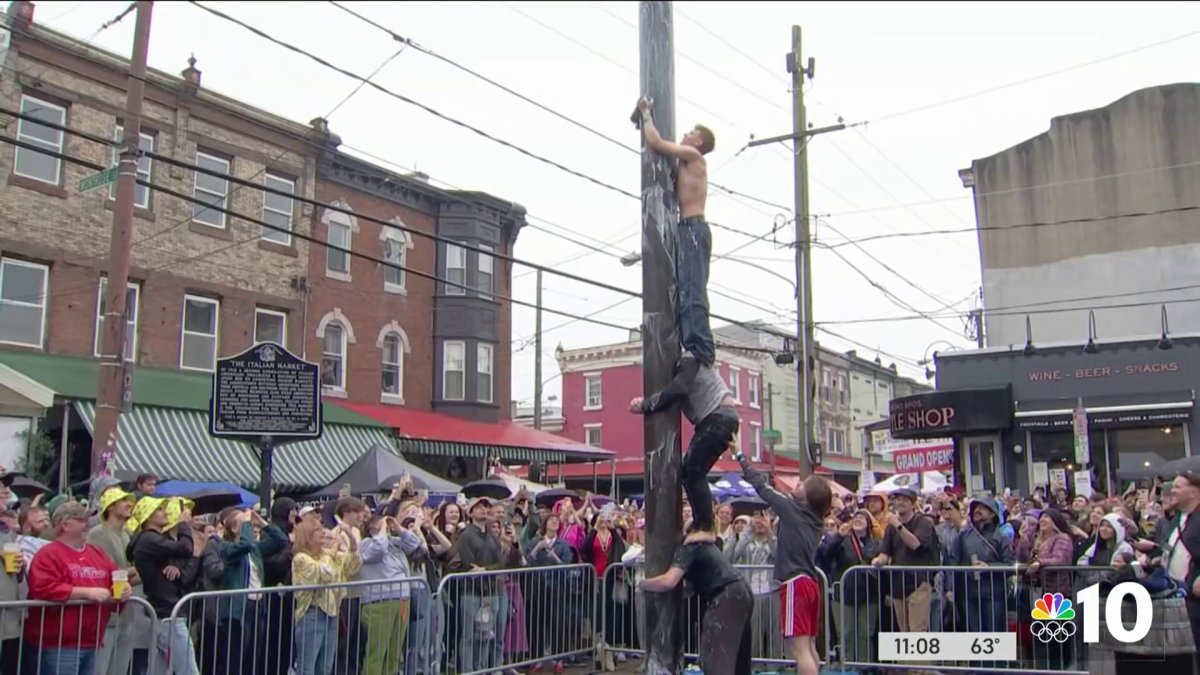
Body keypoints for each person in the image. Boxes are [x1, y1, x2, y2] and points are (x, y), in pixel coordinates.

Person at [634, 96, 718, 367]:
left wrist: (646, 114)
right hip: (685, 229)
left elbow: (657, 142)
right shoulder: (683, 163)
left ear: (698, 142)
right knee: (681, 290)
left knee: (692, 290)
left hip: (694, 228)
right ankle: (688, 344)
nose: (685, 134)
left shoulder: (694, 157)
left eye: (691, 133)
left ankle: (701, 351)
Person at [732, 438, 827, 675]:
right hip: (810, 583)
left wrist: (740, 455)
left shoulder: (793, 510)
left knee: (799, 649)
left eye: (803, 484)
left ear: (809, 496)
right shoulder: (815, 520)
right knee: (809, 646)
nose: (798, 483)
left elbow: (761, 487)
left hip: (795, 583)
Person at [628, 354, 738, 539]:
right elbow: (672, 394)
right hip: (717, 419)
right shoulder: (688, 367)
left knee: (693, 472)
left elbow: (676, 390)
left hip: (718, 418)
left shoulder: (689, 360)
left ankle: (705, 526)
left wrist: (646, 404)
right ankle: (701, 523)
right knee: (688, 472)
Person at [26, 502, 127, 675]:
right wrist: (86, 593)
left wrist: (124, 589)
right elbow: (42, 587)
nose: (88, 524)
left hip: (93, 641)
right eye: (81, 520)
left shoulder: (97, 553)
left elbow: (115, 578)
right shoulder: (48, 554)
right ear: (65, 525)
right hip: (59, 645)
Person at [641, 538, 752, 675]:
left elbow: (668, 581)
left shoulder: (688, 549)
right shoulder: (706, 545)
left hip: (726, 595)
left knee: (716, 658)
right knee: (739, 658)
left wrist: (643, 584)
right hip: (742, 590)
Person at [127, 497, 203, 675]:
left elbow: (176, 568)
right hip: (167, 614)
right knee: (188, 670)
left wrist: (177, 569)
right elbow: (184, 549)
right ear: (148, 517)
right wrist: (184, 525)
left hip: (165, 612)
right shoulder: (149, 539)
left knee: (159, 670)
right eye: (159, 510)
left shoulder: (152, 541)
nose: (165, 512)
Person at [87, 486, 139, 675]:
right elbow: (105, 574)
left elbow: (127, 577)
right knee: (100, 670)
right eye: (123, 501)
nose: (129, 504)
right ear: (110, 506)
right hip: (106, 616)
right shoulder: (98, 533)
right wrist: (136, 570)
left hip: (126, 614)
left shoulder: (127, 534)